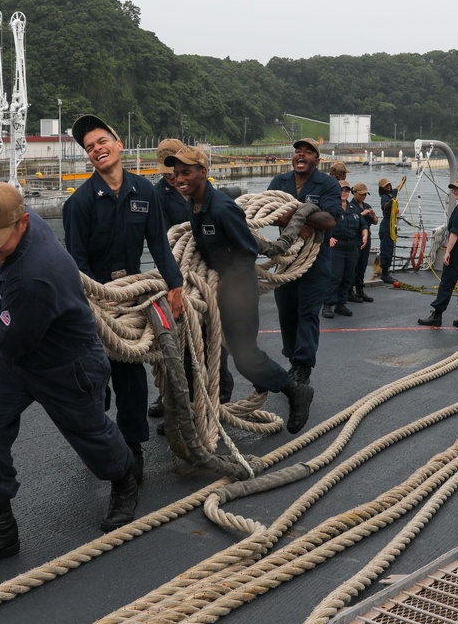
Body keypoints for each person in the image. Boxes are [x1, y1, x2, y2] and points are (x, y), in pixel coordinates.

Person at [0, 182, 140, 572]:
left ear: (23, 223)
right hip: (13, 357)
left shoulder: (35, 277)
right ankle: (2, 531)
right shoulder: (17, 223)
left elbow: (12, 337)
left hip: (64, 362)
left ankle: (124, 477)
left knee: (91, 434)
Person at [63, 115, 185, 483]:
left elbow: (160, 246)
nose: (97, 149)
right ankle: (101, 439)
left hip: (131, 298)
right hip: (95, 301)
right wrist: (91, 306)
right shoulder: (79, 203)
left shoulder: (144, 192)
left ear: (118, 145)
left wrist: (175, 285)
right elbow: (77, 265)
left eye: (102, 141)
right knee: (95, 382)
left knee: (131, 376)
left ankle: (133, 450)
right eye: (89, 147)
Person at [167, 145, 315, 434]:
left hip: (238, 289)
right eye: (176, 173)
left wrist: (224, 281)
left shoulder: (222, 208)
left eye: (186, 172)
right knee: (200, 350)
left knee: (245, 357)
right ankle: (199, 410)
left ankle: (295, 390)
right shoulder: (194, 204)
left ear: (203, 172)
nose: (179, 178)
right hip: (214, 288)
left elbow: (247, 252)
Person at [267, 138, 341, 386]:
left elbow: (330, 219)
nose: (301, 155)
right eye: (298, 151)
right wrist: (299, 219)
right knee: (286, 311)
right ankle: (293, 357)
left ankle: (303, 367)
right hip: (286, 260)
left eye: (308, 152)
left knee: (307, 313)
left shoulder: (328, 183)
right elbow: (268, 211)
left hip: (315, 260)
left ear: (316, 160)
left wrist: (299, 217)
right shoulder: (280, 182)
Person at [146, 137, 191, 420]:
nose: (170, 176)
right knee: (171, 336)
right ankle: (169, 394)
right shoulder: (157, 194)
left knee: (201, 336)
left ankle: (204, 393)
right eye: (165, 171)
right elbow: (160, 239)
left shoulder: (198, 186)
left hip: (200, 267)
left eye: (173, 170)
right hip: (172, 267)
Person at [418, 178, 458, 328]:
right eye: (454, 189)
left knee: (447, 282)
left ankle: (437, 315)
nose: (455, 191)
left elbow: (455, 233)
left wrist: (447, 252)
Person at [323, 180, 363, 318]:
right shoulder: (330, 208)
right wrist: (328, 237)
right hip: (337, 246)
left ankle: (341, 303)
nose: (344, 193)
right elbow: (322, 223)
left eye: (346, 190)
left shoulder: (353, 208)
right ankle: (328, 304)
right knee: (335, 276)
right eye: (341, 190)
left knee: (348, 277)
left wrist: (365, 235)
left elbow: (362, 225)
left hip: (352, 247)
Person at [349, 181, 377, 302]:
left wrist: (373, 216)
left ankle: (360, 288)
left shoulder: (366, 205)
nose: (363, 197)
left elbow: (376, 222)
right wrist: (362, 214)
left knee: (362, 264)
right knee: (353, 265)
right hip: (355, 237)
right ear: (354, 193)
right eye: (361, 194)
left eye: (365, 194)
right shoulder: (350, 206)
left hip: (367, 237)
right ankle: (349, 290)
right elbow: (349, 220)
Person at [378, 177, 398, 282]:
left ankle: (387, 272)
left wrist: (403, 181)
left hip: (392, 224)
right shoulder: (385, 197)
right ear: (382, 188)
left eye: (389, 185)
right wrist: (390, 203)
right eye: (386, 186)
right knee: (386, 249)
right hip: (386, 224)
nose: (389, 187)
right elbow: (384, 207)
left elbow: (397, 189)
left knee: (390, 249)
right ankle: (384, 274)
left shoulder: (392, 193)